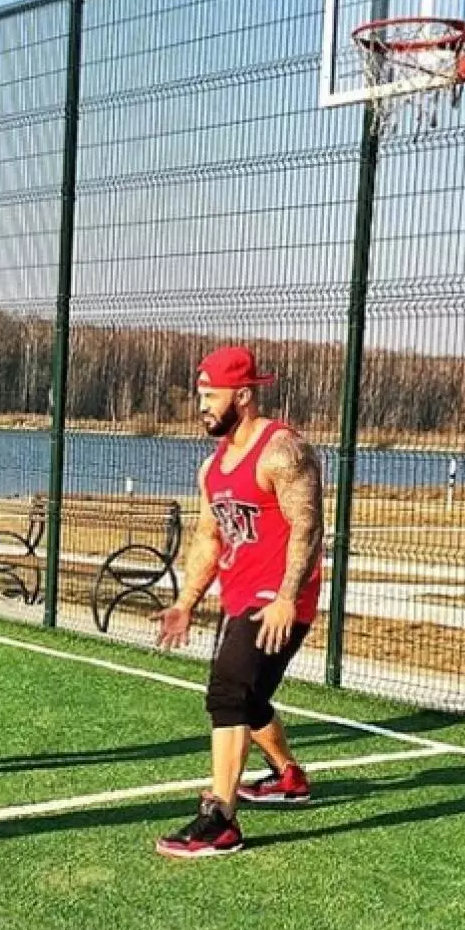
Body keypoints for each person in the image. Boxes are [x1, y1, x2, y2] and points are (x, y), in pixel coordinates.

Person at [153, 346, 324, 859]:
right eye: (200, 394)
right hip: (239, 596)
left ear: (243, 395)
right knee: (246, 699)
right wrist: (185, 603)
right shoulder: (213, 466)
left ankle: (220, 818)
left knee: (227, 691)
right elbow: (209, 537)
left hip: (280, 599)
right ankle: (288, 776)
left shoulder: (284, 451)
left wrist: (287, 598)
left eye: (212, 395)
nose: (202, 405)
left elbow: (309, 525)